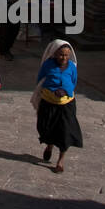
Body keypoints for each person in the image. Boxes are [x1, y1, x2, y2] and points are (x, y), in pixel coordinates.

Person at [31, 38, 83, 173]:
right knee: (47, 128)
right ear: (54, 53)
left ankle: (60, 161)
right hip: (49, 102)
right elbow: (41, 80)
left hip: (66, 104)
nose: (63, 57)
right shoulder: (48, 65)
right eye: (61, 54)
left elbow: (73, 81)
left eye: (66, 55)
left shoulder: (72, 66)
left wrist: (65, 90)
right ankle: (49, 145)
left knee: (65, 132)